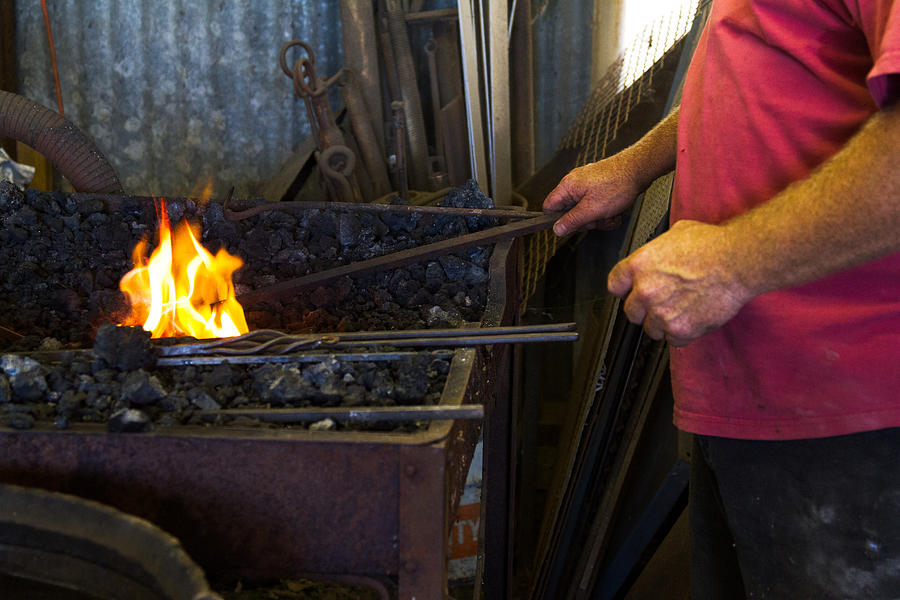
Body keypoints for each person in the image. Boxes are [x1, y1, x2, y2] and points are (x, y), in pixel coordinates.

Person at [544, 0, 900, 598]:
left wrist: (732, 266)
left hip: (849, 408)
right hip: (749, 389)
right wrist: (637, 164)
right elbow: (772, 71)